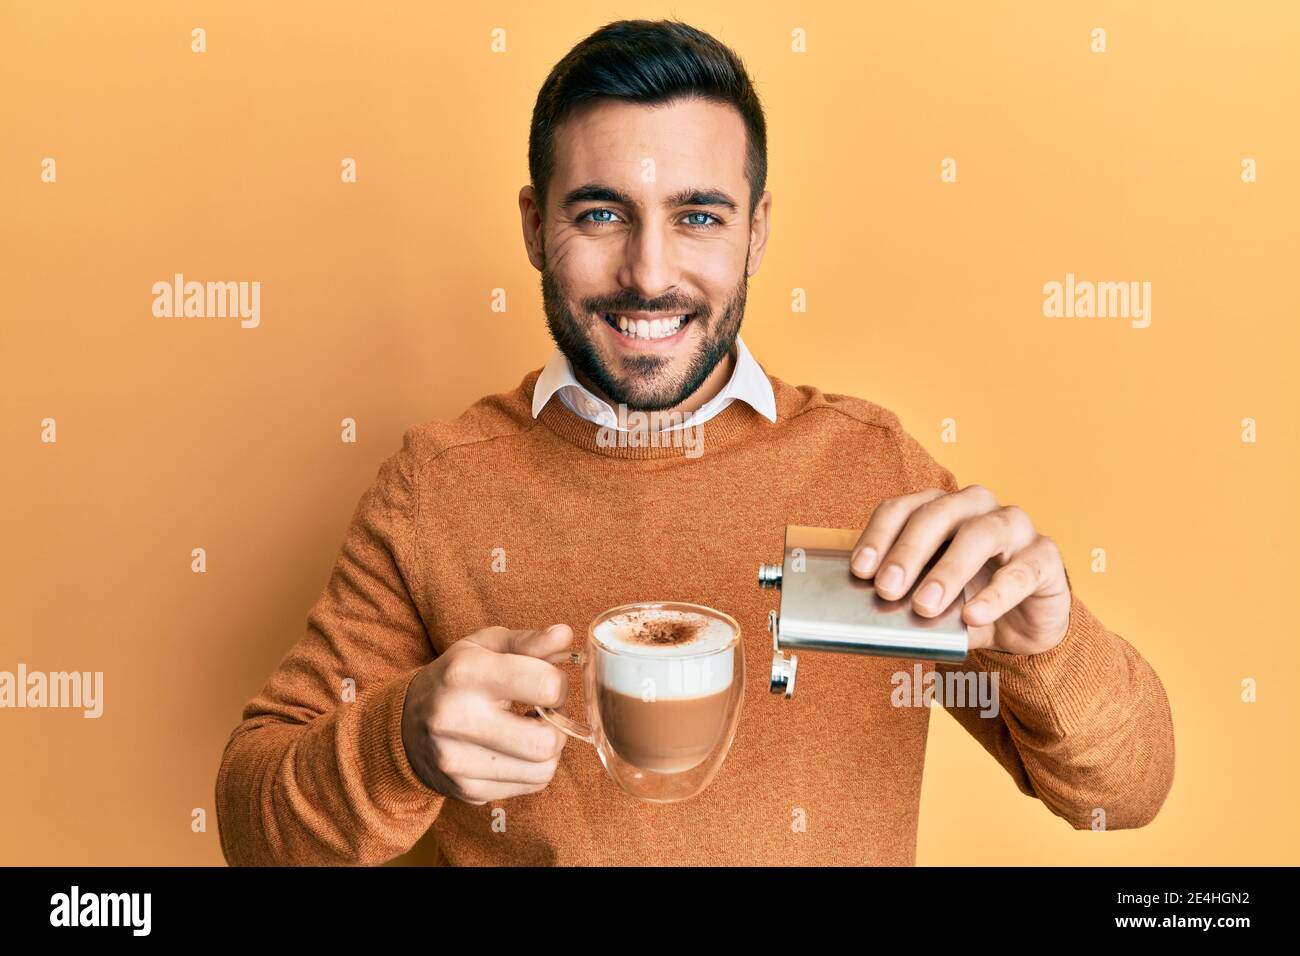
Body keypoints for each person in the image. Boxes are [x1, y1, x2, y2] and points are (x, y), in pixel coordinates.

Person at [215, 18, 1174, 866]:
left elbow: (1121, 798)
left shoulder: (872, 470)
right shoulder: (436, 487)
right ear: (533, 227)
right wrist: (399, 746)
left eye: (698, 216)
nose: (649, 273)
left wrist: (1047, 647)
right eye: (600, 214)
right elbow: (256, 830)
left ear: (756, 233)